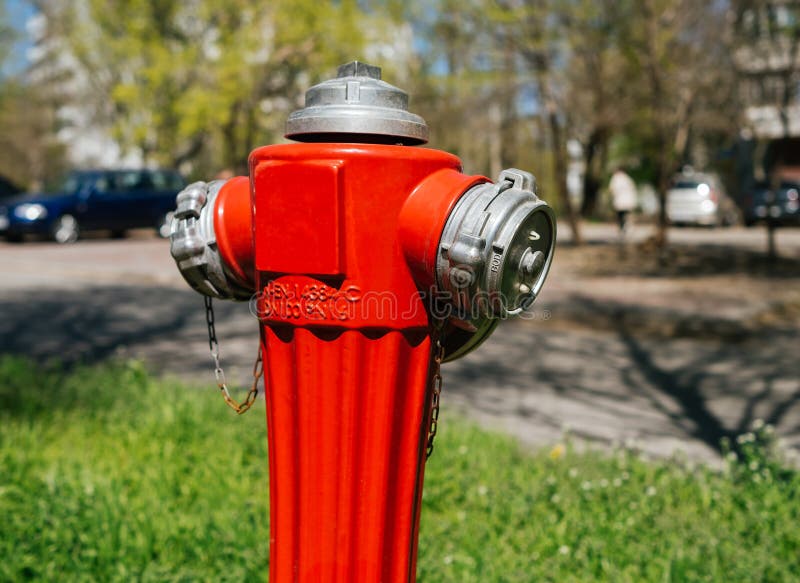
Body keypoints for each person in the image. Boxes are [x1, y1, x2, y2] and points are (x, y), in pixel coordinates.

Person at [608, 167, 637, 236]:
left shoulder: (615, 178)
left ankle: (622, 228)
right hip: (628, 201)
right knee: (627, 215)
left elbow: (611, 189)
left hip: (619, 201)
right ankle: (627, 228)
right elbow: (633, 189)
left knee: (620, 216)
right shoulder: (628, 178)